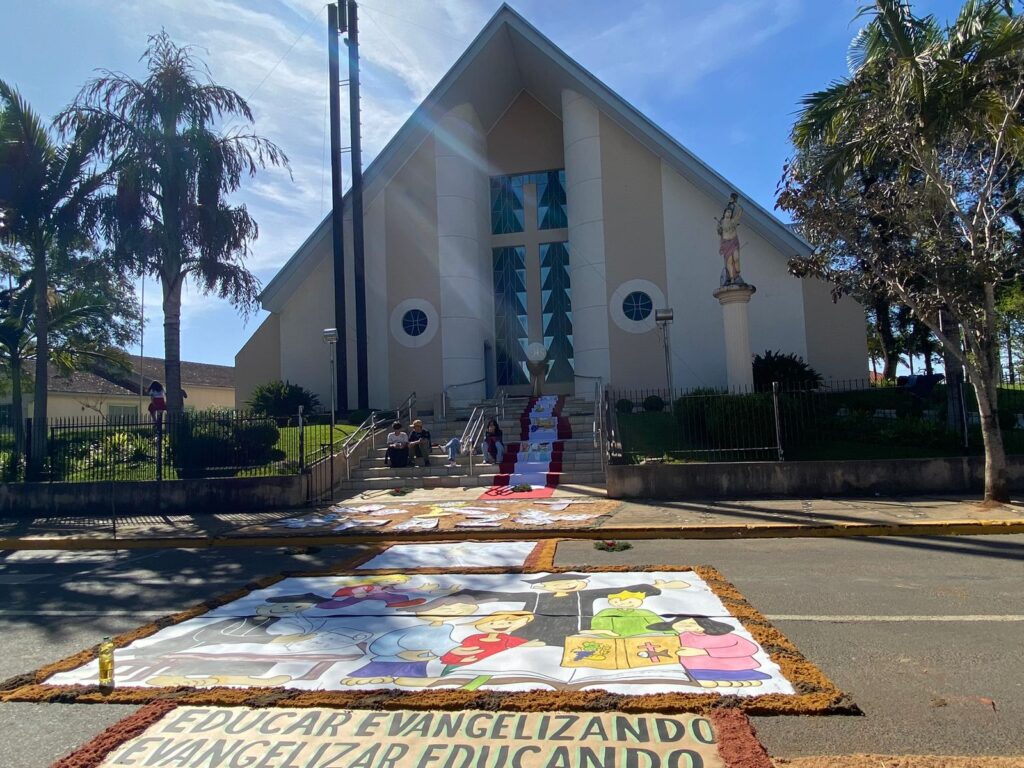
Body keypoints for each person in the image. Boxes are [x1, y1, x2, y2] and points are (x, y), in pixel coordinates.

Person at [645, 614, 772, 689]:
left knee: (746, 678)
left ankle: (734, 679)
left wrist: (704, 651)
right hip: (697, 670)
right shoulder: (683, 637)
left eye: (688, 625)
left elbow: (749, 648)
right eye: (680, 627)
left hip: (734, 668)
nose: (684, 629)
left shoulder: (726, 636)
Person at [716, 192, 744, 285]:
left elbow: (740, 211)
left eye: (730, 212)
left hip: (733, 242)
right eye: (727, 212)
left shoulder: (733, 222)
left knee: (736, 259)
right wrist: (719, 228)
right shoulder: (721, 222)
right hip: (726, 244)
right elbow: (719, 233)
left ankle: (737, 273)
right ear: (724, 213)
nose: (729, 213)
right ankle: (732, 278)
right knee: (729, 262)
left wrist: (734, 203)